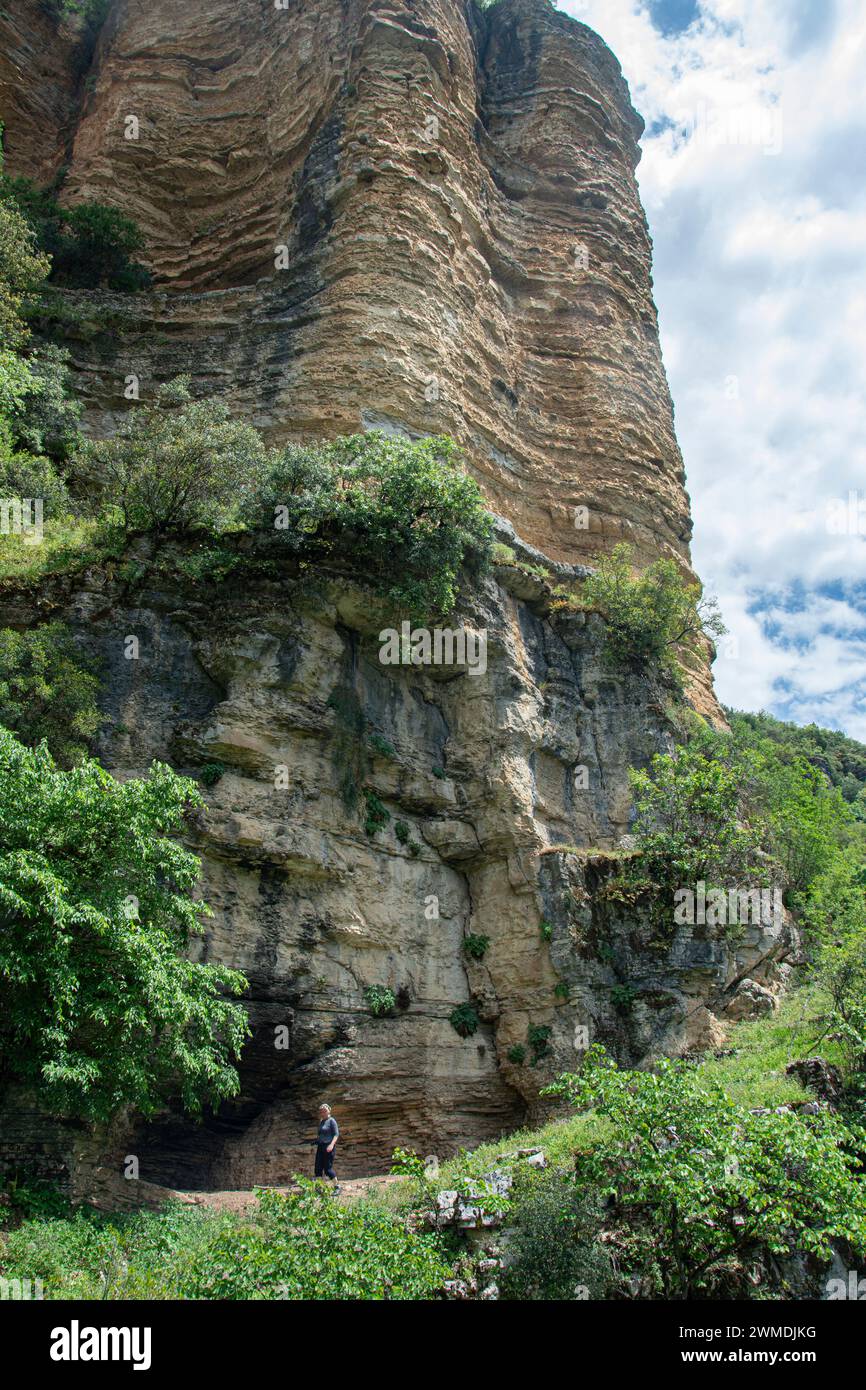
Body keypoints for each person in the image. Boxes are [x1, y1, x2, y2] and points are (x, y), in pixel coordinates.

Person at [314, 1103, 340, 1191]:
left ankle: (337, 1186)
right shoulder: (321, 1122)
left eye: (325, 1110)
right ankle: (320, 1188)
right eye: (321, 1111)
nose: (323, 1112)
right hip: (320, 1147)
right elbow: (320, 1134)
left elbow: (336, 1134)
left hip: (328, 1147)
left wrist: (331, 1145)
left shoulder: (332, 1121)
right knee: (318, 1168)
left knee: (327, 1169)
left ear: (329, 1110)